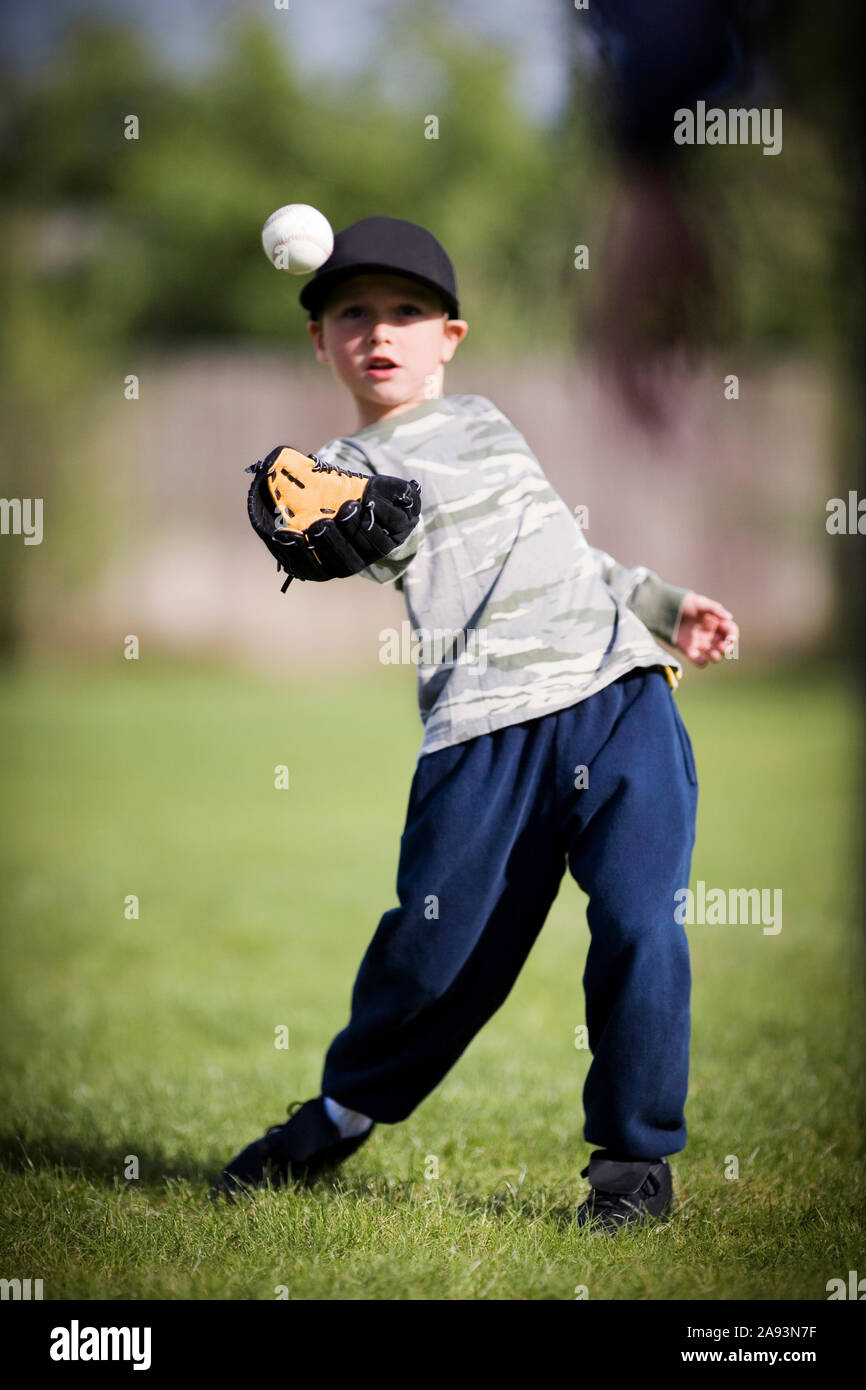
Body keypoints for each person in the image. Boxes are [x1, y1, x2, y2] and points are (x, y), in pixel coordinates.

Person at [216, 217, 738, 1232]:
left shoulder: (492, 420)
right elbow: (357, 535)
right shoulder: (341, 467)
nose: (380, 330)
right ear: (317, 341)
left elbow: (558, 552)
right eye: (351, 312)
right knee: (432, 960)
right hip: (481, 736)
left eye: (406, 311)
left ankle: (631, 1166)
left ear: (448, 335)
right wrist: (323, 531)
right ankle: (337, 1110)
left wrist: (662, 604)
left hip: (615, 693)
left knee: (639, 921)